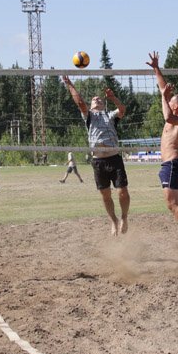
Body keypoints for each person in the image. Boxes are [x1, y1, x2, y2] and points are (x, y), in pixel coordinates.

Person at [62, 76, 130, 236]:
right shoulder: (89, 116)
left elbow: (122, 110)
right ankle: (113, 221)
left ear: (104, 104)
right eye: (94, 99)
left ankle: (124, 217)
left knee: (123, 192)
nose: (97, 99)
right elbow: (80, 103)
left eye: (99, 99)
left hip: (114, 157)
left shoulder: (110, 115)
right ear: (91, 106)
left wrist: (113, 97)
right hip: (99, 160)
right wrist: (70, 84)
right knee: (106, 195)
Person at [146, 51, 178, 243]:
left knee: (172, 203)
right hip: (169, 165)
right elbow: (162, 87)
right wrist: (156, 68)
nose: (168, 100)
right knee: (172, 204)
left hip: (174, 164)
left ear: (177, 106)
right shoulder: (173, 112)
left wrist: (163, 95)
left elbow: (167, 116)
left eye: (171, 100)